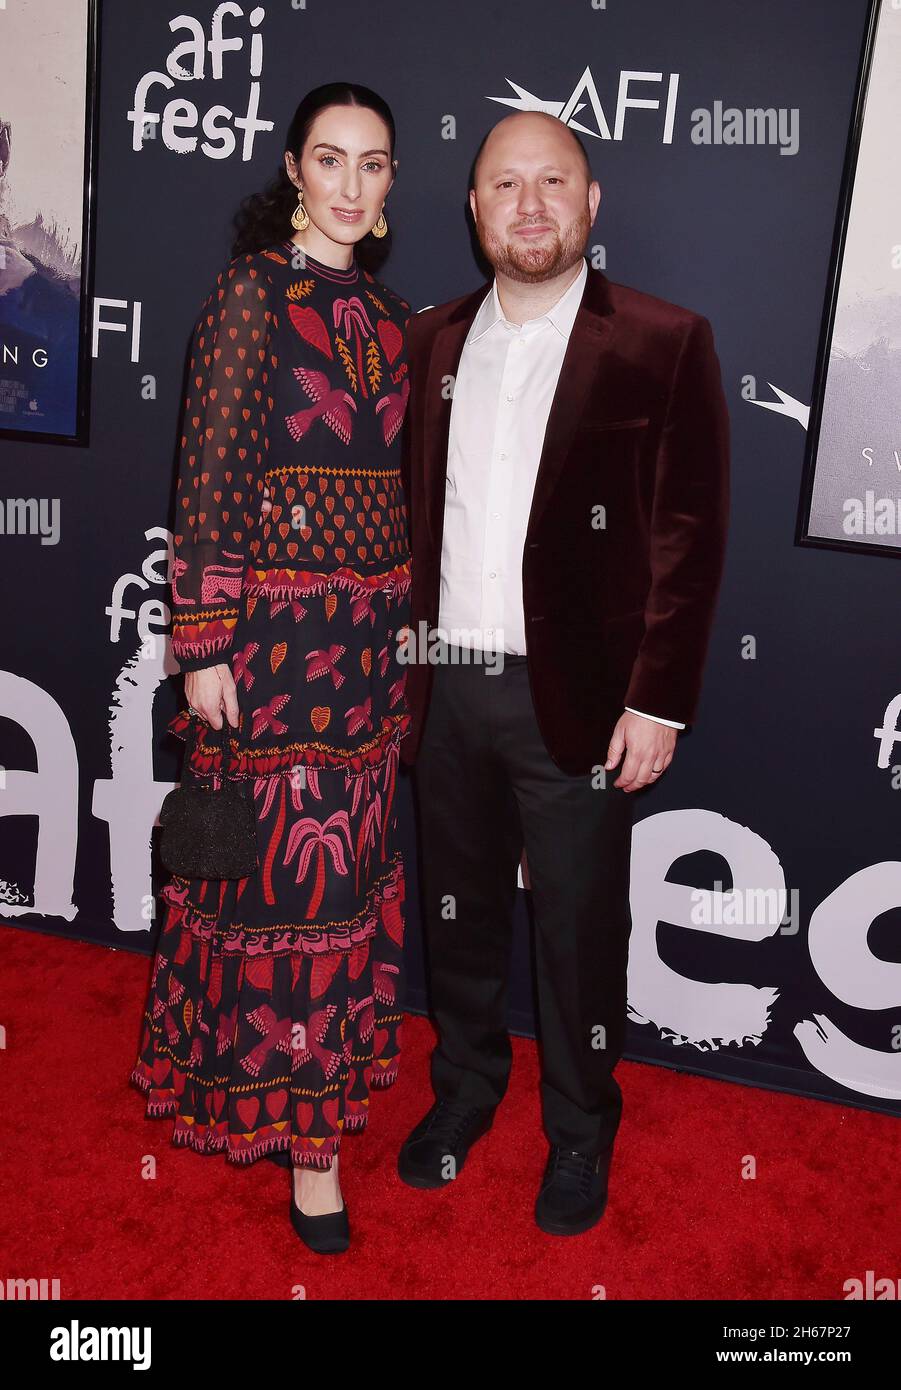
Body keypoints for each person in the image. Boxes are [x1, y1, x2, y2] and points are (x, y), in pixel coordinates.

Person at [397, 110, 730, 1236]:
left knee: (580, 933)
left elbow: (690, 534)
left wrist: (656, 696)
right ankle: (464, 1095)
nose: (528, 204)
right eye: (504, 184)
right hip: (444, 687)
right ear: (475, 209)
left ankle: (581, 1132)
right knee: (462, 917)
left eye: (553, 182)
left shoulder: (662, 340)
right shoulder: (428, 341)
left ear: (592, 204)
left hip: (580, 703)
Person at [131, 83, 412, 1255]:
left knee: (343, 892)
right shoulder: (252, 296)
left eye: (375, 164)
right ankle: (305, 1152)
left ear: (392, 184)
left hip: (370, 663)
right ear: (293, 169)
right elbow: (209, 473)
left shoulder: (394, 320)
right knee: (274, 891)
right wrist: (199, 645)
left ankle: (321, 1118)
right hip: (270, 655)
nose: (352, 186)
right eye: (331, 161)